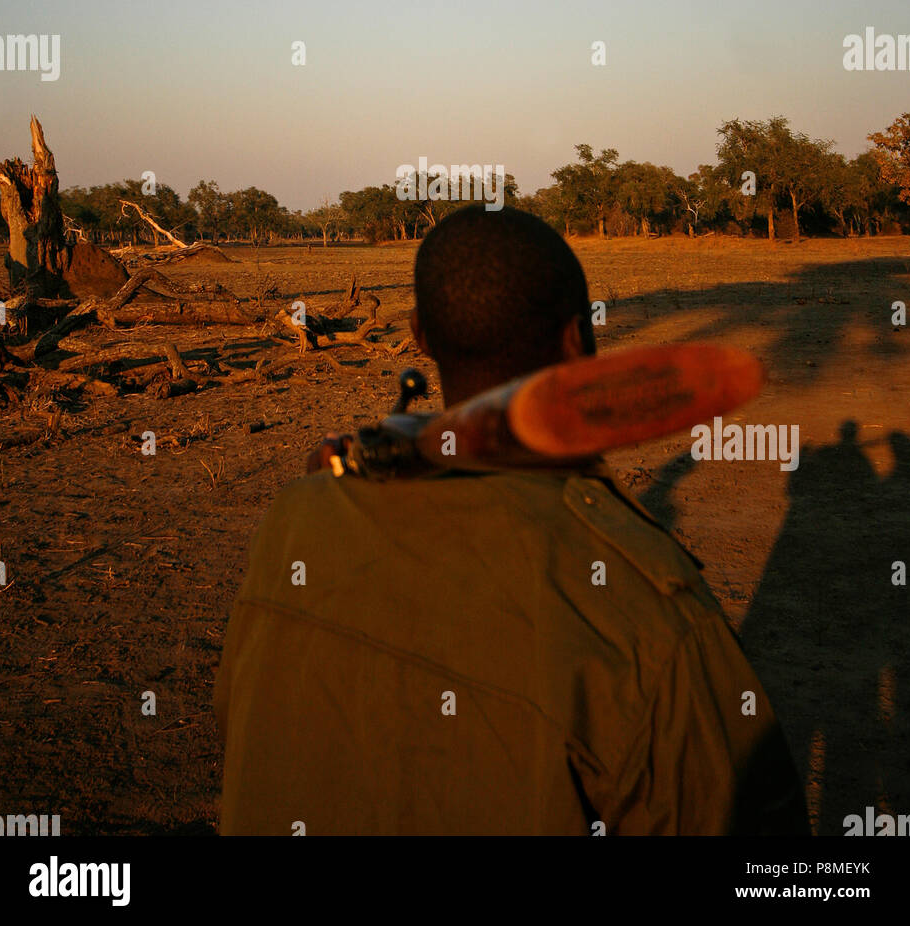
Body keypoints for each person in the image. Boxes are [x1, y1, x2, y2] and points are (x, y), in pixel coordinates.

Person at [214, 205, 809, 835]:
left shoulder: (293, 522)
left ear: (420, 335)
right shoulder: (645, 613)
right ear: (579, 341)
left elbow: (237, 721)